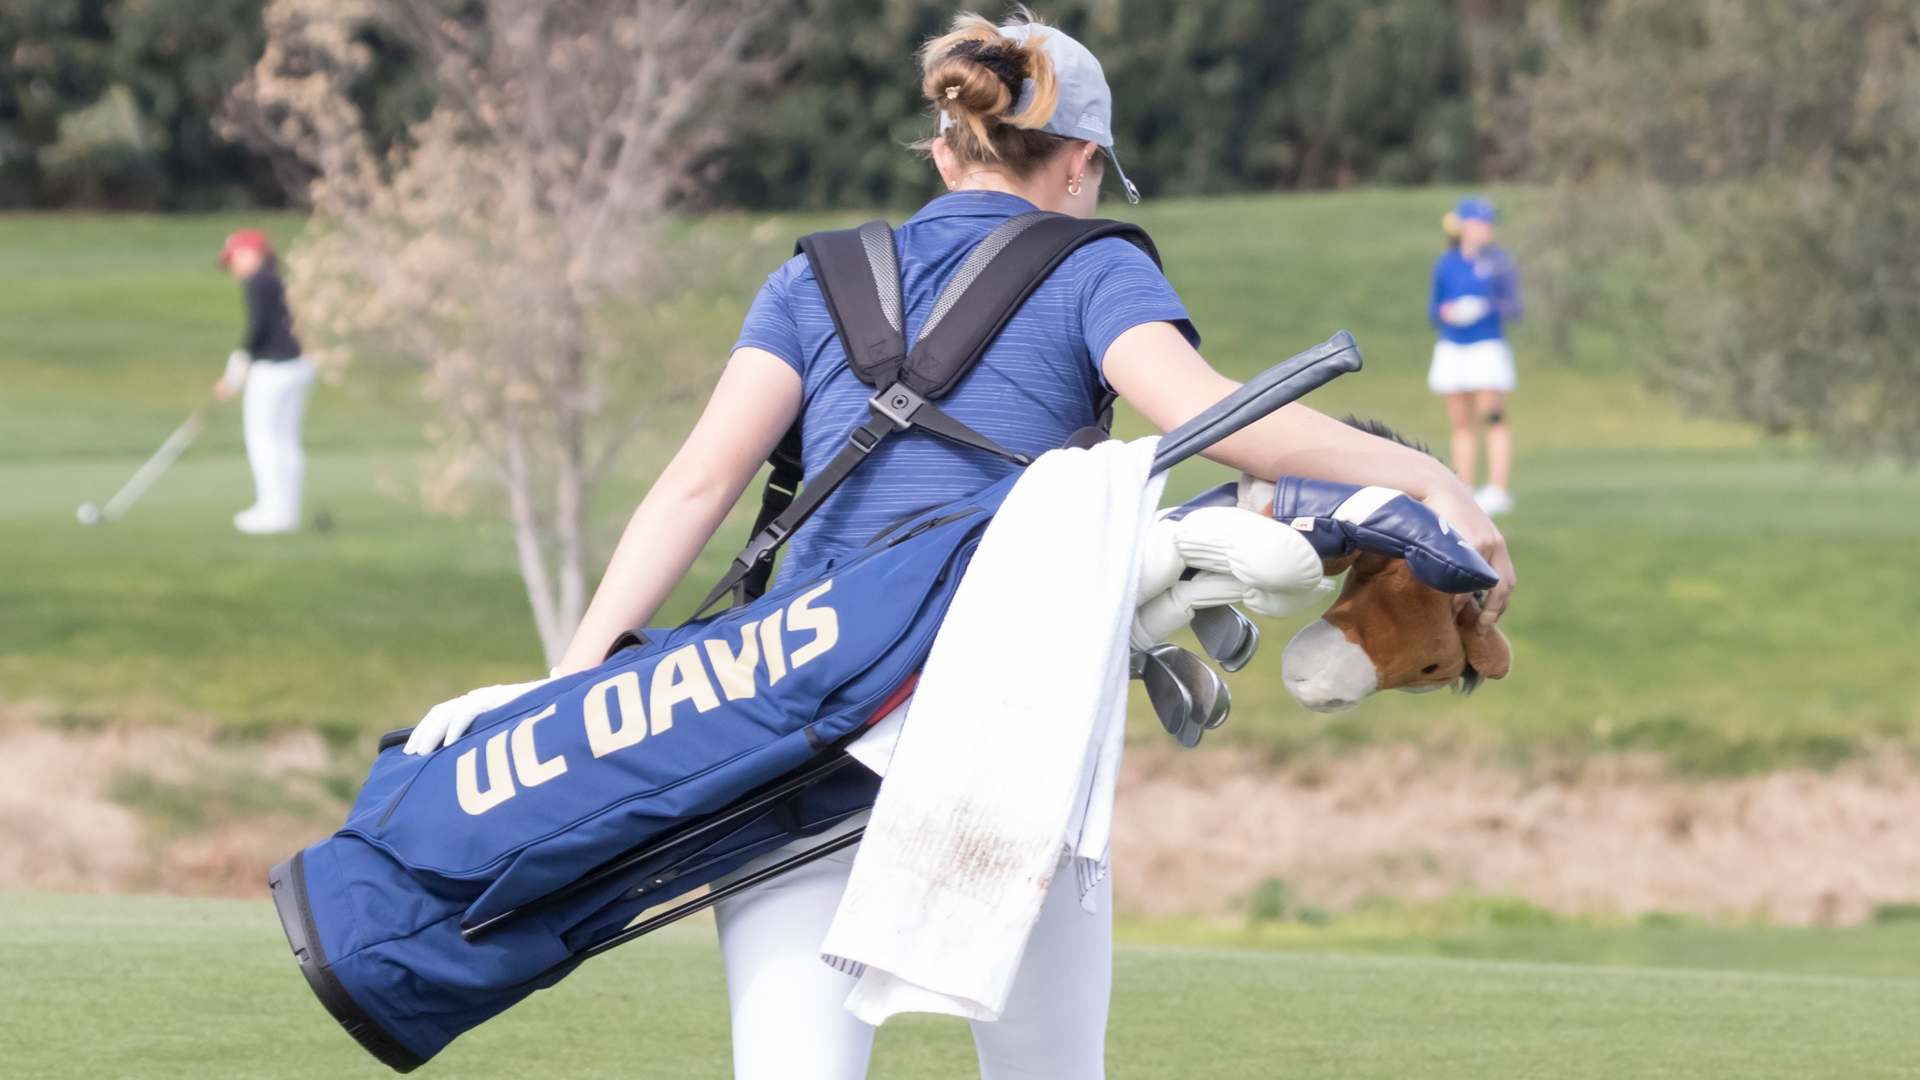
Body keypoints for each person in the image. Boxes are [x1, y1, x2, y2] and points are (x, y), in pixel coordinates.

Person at [529, 14, 1511, 1080]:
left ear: (945, 145)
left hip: (799, 723)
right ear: (1084, 162)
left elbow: (697, 487)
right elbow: (1217, 418)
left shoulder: (813, 280)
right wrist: (1430, 476)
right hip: (1001, 733)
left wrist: (569, 688)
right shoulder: (1095, 269)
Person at [212, 229, 315, 534]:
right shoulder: (278, 280)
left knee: (263, 439)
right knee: (285, 438)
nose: (233, 266)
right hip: (299, 365)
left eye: (236, 257)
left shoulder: (257, 282)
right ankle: (287, 510)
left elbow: (259, 329)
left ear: (254, 254)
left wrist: (235, 374)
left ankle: (272, 511)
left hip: (273, 369)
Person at [1427, 195, 1522, 516]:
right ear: (1464, 226)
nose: (1486, 228)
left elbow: (1514, 306)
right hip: (1454, 345)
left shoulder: (1499, 261)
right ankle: (1464, 486)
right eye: (1480, 222)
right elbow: (1434, 310)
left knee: (1492, 415)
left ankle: (1498, 488)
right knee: (1461, 421)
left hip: (1487, 344)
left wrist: (1486, 307)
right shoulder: (1447, 263)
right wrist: (1450, 312)